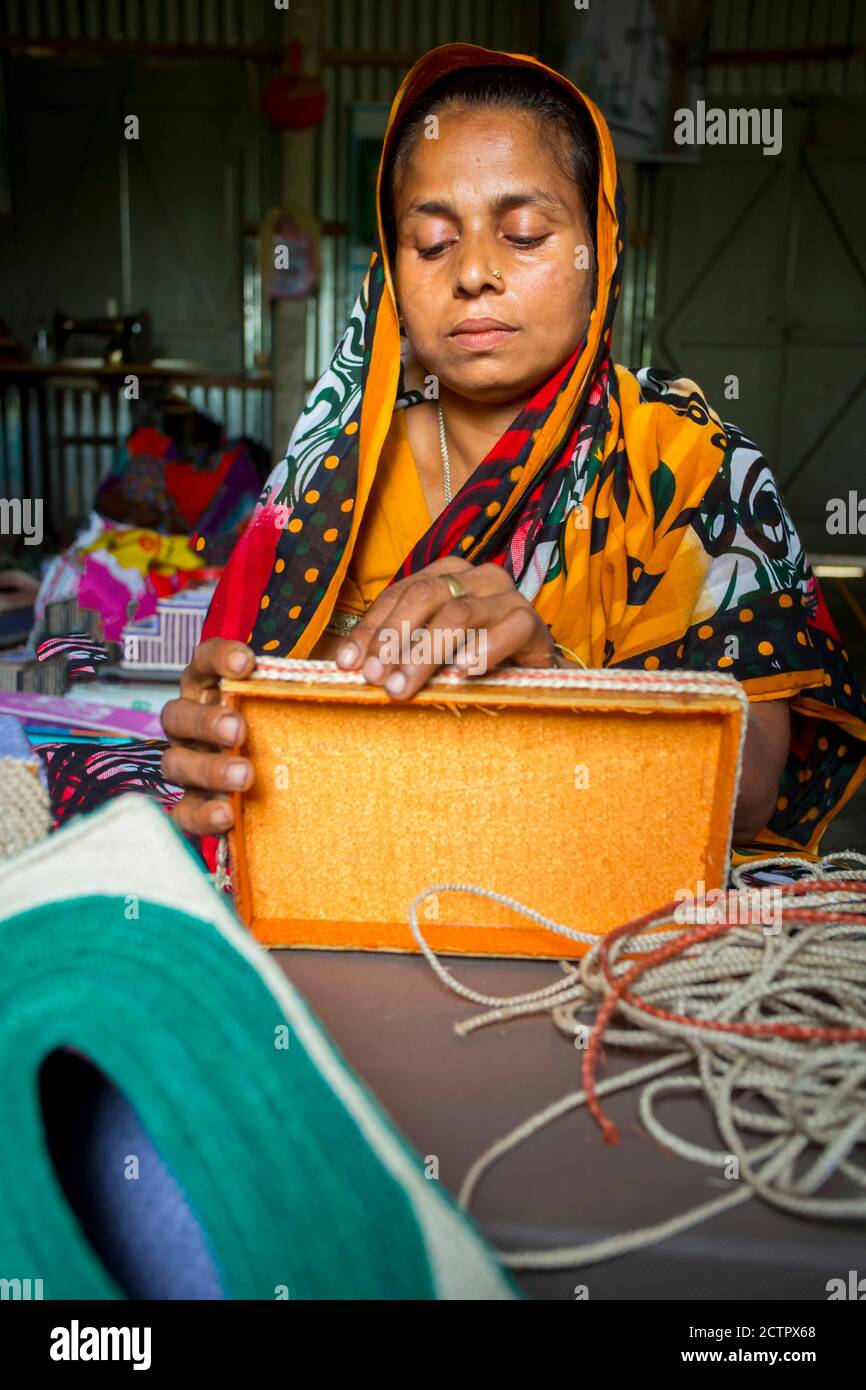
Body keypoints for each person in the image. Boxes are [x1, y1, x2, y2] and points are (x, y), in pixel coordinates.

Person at [161, 42, 866, 862]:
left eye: (525, 234)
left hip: (598, 888)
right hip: (363, 875)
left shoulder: (687, 464)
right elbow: (252, 737)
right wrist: (220, 739)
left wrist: (552, 682)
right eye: (432, 242)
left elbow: (749, 795)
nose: (474, 272)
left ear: (599, 245)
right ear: (391, 271)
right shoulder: (330, 481)